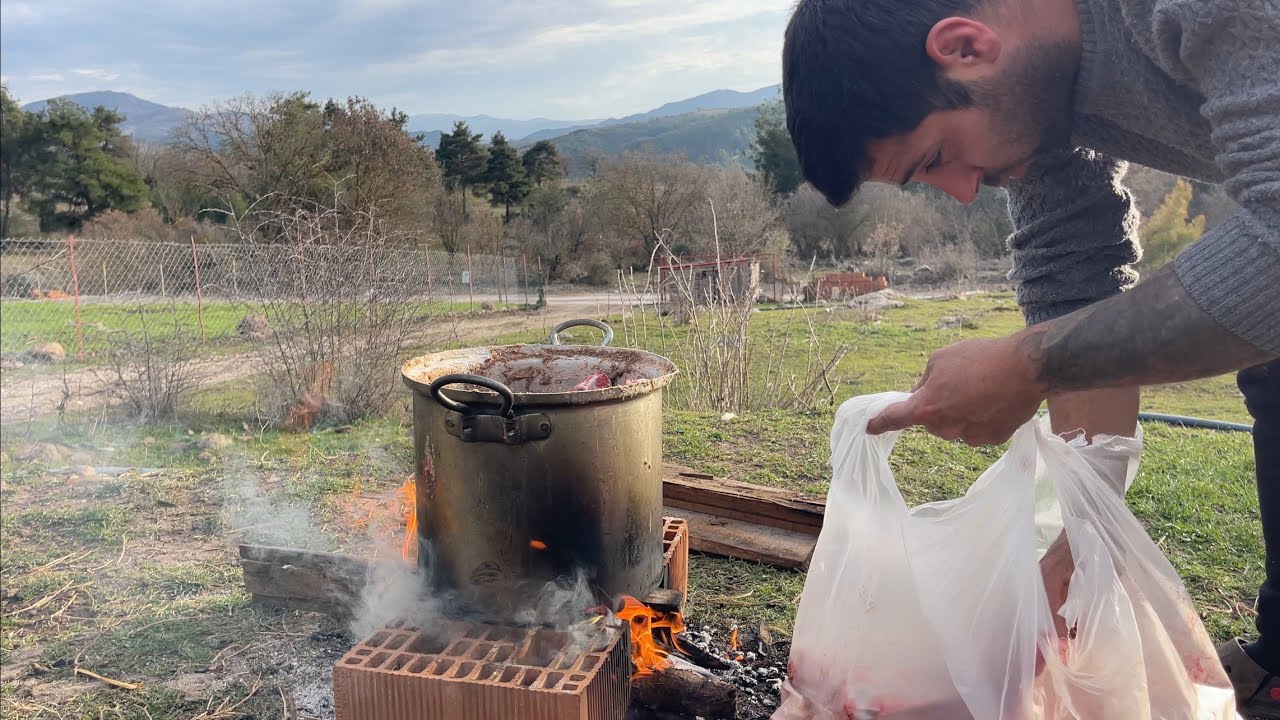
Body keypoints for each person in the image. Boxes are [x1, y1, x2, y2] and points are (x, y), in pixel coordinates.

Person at [781, 0, 1279, 713]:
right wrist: (1083, 542)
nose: (961, 191)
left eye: (936, 159)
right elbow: (1075, 279)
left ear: (964, 46)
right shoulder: (1036, 102)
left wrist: (1027, 365)